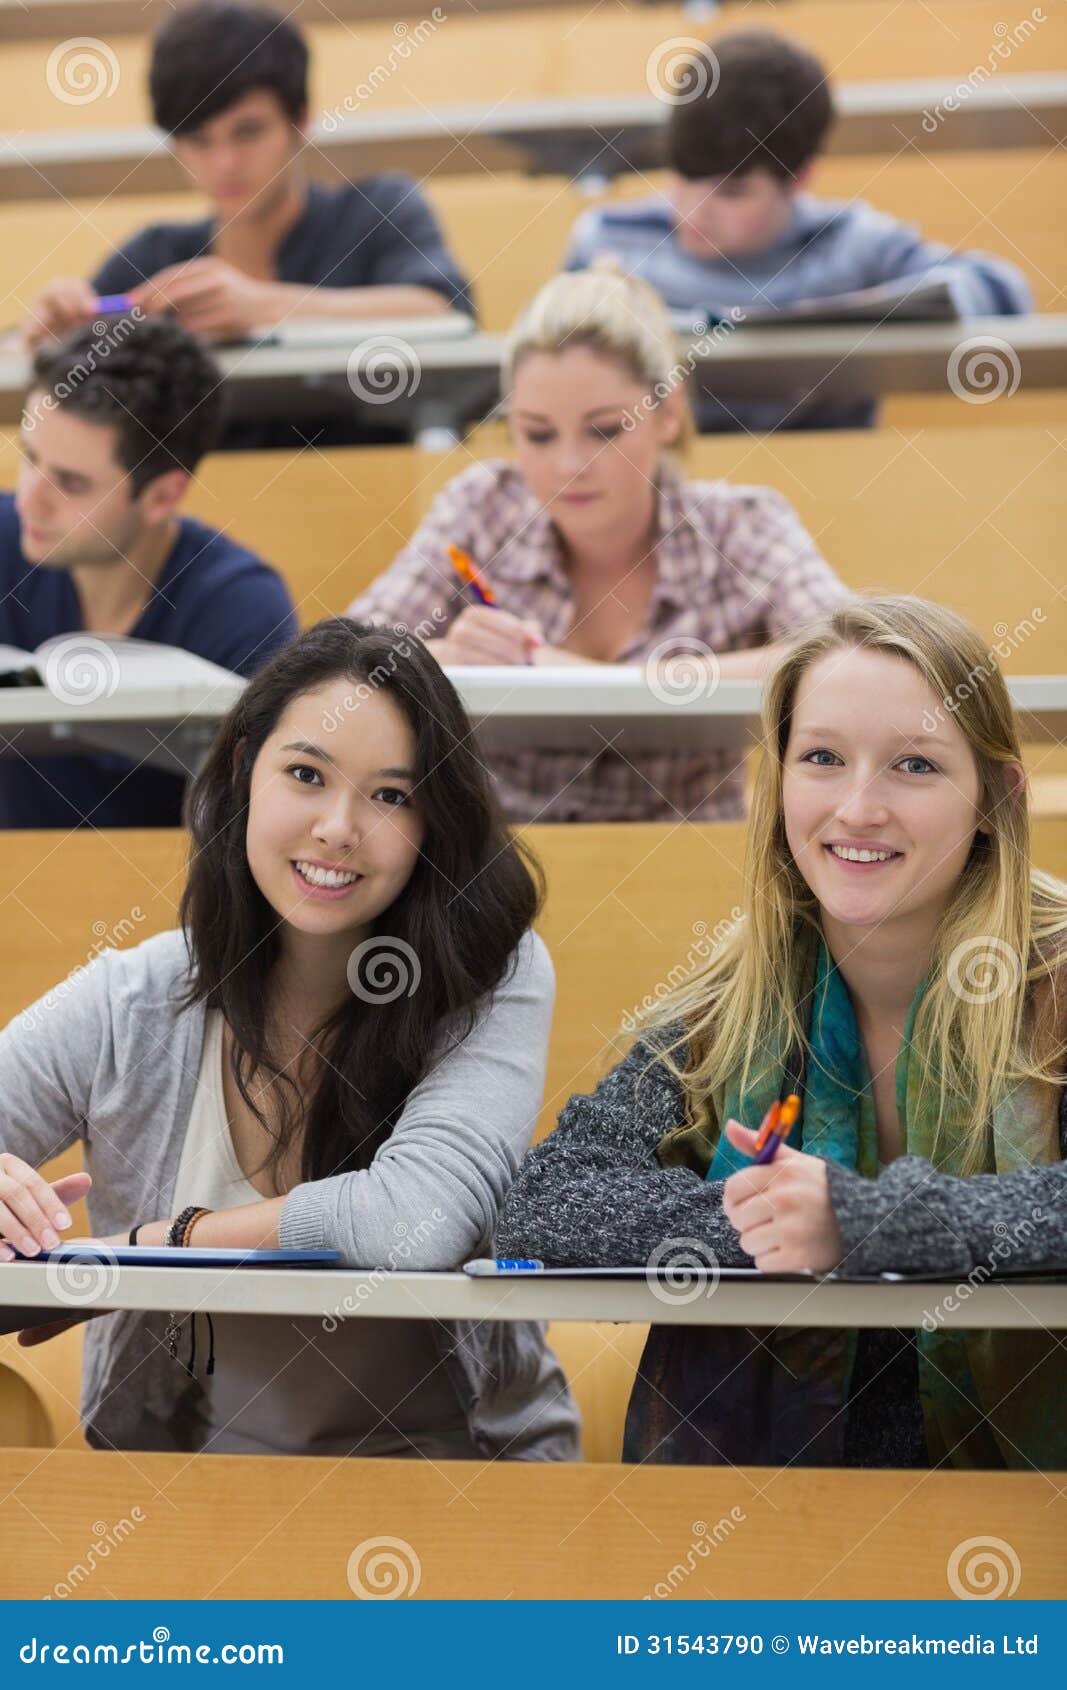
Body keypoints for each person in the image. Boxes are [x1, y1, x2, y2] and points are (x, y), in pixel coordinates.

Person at [497, 594, 1067, 1470]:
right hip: (759, 1540)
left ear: (994, 796)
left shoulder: (1054, 977)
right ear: (778, 780)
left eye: (913, 765)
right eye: (822, 759)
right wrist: (774, 1225)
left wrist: (863, 1222)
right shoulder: (731, 995)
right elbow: (545, 1203)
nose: (857, 807)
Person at [0, 619, 579, 1461]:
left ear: (433, 821)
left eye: (391, 795)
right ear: (244, 771)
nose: (339, 828)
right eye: (306, 774)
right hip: (176, 1493)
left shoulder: (492, 974)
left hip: (461, 1486)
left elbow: (407, 1224)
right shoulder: (134, 998)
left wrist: (139, 1251)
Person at [346, 263, 850, 823]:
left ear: (668, 414)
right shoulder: (482, 505)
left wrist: (601, 684)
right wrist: (440, 661)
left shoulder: (742, 524)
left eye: (605, 429)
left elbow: (854, 658)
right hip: (491, 872)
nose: (568, 466)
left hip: (696, 867)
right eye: (537, 433)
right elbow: (343, 662)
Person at [22, 2, 472, 447]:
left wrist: (263, 308)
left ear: (301, 120)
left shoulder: (378, 211)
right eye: (198, 140)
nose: (225, 163)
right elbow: (35, 350)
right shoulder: (155, 255)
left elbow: (443, 312)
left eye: (248, 131)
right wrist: (50, 339)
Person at [563, 29, 1033, 432]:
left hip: (834, 499)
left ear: (799, 179)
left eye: (733, 193)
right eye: (683, 178)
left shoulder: (851, 244)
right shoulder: (610, 243)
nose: (694, 212)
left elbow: (1005, 292)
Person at [0, 316, 297, 829]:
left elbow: (255, 831)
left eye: (70, 482)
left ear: (162, 496)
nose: (31, 498)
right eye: (30, 458)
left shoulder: (240, 608)